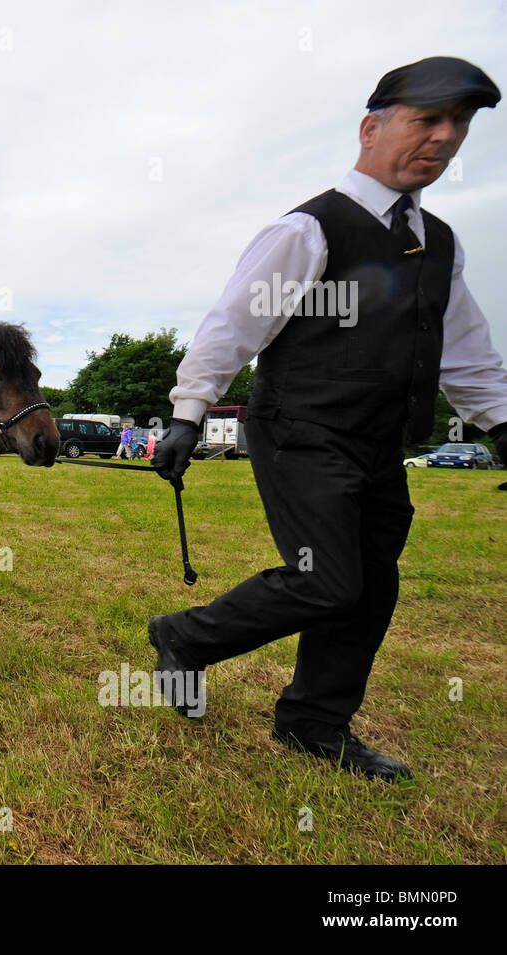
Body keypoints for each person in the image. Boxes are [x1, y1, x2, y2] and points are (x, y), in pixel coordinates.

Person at [149, 57, 507, 782]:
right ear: (372, 127)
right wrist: (189, 411)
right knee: (329, 578)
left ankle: (314, 722)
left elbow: (465, 351)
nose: (443, 138)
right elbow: (231, 325)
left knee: (373, 586)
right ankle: (183, 636)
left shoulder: (439, 245)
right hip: (300, 426)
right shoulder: (310, 229)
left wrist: (502, 425)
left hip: (378, 441)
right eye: (426, 119)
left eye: (458, 125)